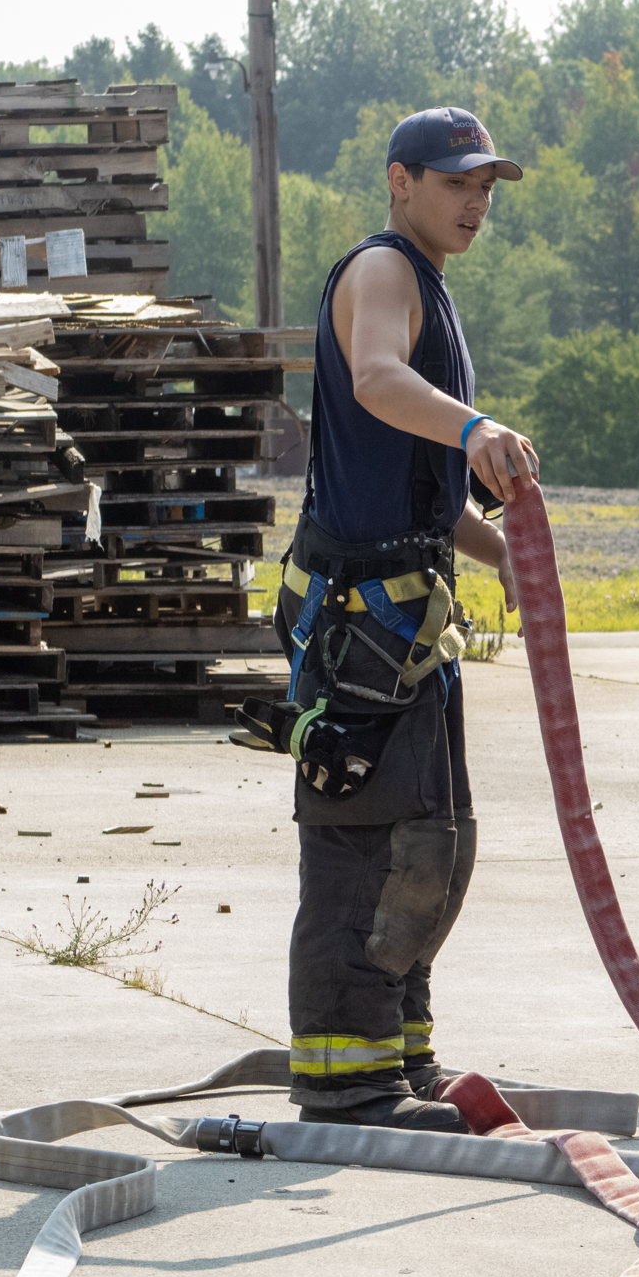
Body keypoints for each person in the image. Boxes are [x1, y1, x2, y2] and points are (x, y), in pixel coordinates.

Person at [260, 107, 538, 1131]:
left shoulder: (432, 287)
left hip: (408, 624)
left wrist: (503, 554)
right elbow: (377, 380)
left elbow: (419, 491)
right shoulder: (382, 271)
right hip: (359, 630)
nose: (476, 203)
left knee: (429, 846)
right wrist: (477, 426)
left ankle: (398, 1058)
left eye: (486, 187)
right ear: (400, 181)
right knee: (365, 853)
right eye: (457, 182)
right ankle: (346, 1082)